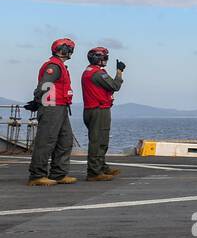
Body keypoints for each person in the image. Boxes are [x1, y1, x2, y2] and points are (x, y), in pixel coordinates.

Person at [25, 38, 79, 187]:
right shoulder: (54, 66)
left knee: (65, 140)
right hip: (51, 107)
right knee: (46, 140)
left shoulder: (60, 66)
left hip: (60, 107)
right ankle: (37, 175)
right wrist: (37, 101)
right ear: (63, 49)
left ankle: (59, 174)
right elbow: (44, 85)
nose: (71, 52)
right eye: (70, 48)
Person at [81, 46, 125, 181]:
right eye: (104, 58)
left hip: (93, 110)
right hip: (99, 110)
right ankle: (94, 172)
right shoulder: (98, 73)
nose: (106, 60)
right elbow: (114, 86)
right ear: (97, 59)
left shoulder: (89, 71)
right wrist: (119, 72)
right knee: (98, 141)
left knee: (101, 140)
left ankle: (101, 167)